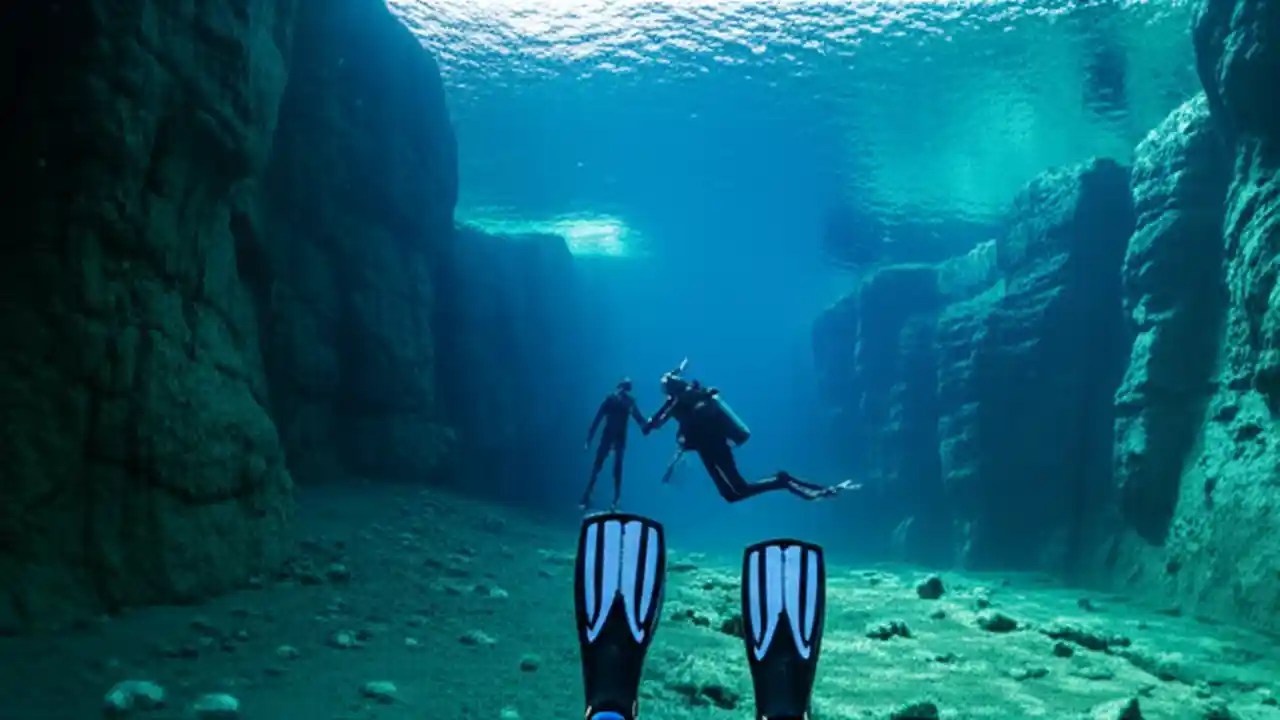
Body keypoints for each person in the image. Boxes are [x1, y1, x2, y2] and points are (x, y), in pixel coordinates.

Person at [644, 360, 857, 503]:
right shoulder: (690, 399)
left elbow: (652, 426)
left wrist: (644, 415)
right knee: (732, 494)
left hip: (715, 449)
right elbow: (658, 423)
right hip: (708, 450)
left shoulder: (681, 404)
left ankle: (783, 481)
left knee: (738, 490)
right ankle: (787, 483)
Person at [582, 378, 648, 510]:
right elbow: (597, 419)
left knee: (614, 468)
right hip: (610, 436)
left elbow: (639, 418)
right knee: (600, 466)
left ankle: (614, 499)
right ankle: (589, 495)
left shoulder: (625, 402)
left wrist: (647, 426)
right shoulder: (612, 400)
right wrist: (589, 438)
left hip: (617, 437)